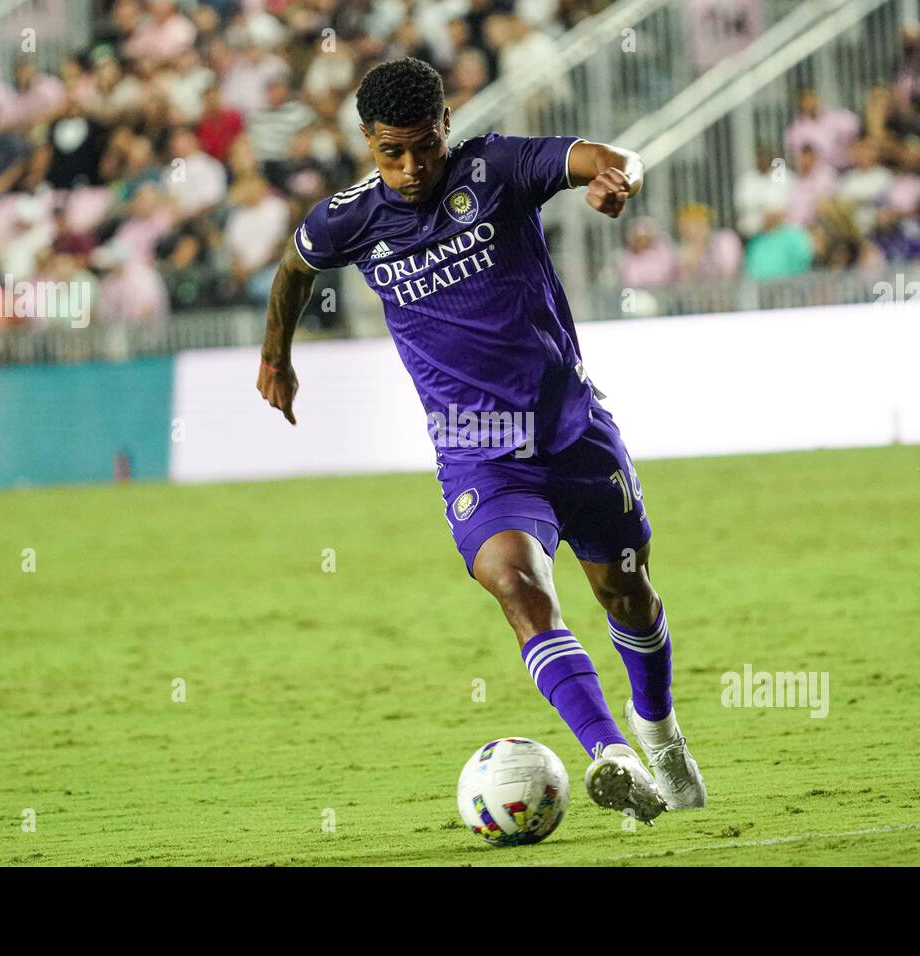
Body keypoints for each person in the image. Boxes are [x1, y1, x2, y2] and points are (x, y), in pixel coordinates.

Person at [256, 58, 706, 824]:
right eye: (390, 152)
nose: (410, 167)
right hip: (476, 449)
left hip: (573, 434)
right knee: (517, 585)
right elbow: (295, 268)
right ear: (367, 142)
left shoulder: (498, 168)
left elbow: (608, 155)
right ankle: (609, 752)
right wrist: (275, 356)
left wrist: (617, 181)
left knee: (624, 592)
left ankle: (657, 732)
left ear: (446, 126)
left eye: (423, 147)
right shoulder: (350, 216)